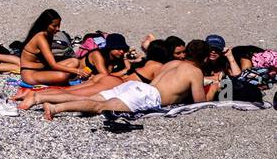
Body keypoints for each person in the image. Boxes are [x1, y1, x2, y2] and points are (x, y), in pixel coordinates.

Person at [16, 40, 217, 118]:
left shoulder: (173, 63)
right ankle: (54, 108)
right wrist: (214, 88)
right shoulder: (195, 72)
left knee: (96, 98)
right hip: (147, 95)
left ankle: (39, 98)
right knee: (98, 107)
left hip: (134, 86)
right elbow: (198, 102)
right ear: (205, 57)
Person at [17, 9, 87, 86]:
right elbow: (53, 65)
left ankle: (56, 77)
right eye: (54, 26)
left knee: (74, 61)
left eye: (59, 25)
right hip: (31, 73)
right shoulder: (40, 38)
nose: (58, 29)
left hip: (43, 68)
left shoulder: (49, 34)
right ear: (45, 24)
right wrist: (77, 71)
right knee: (62, 76)